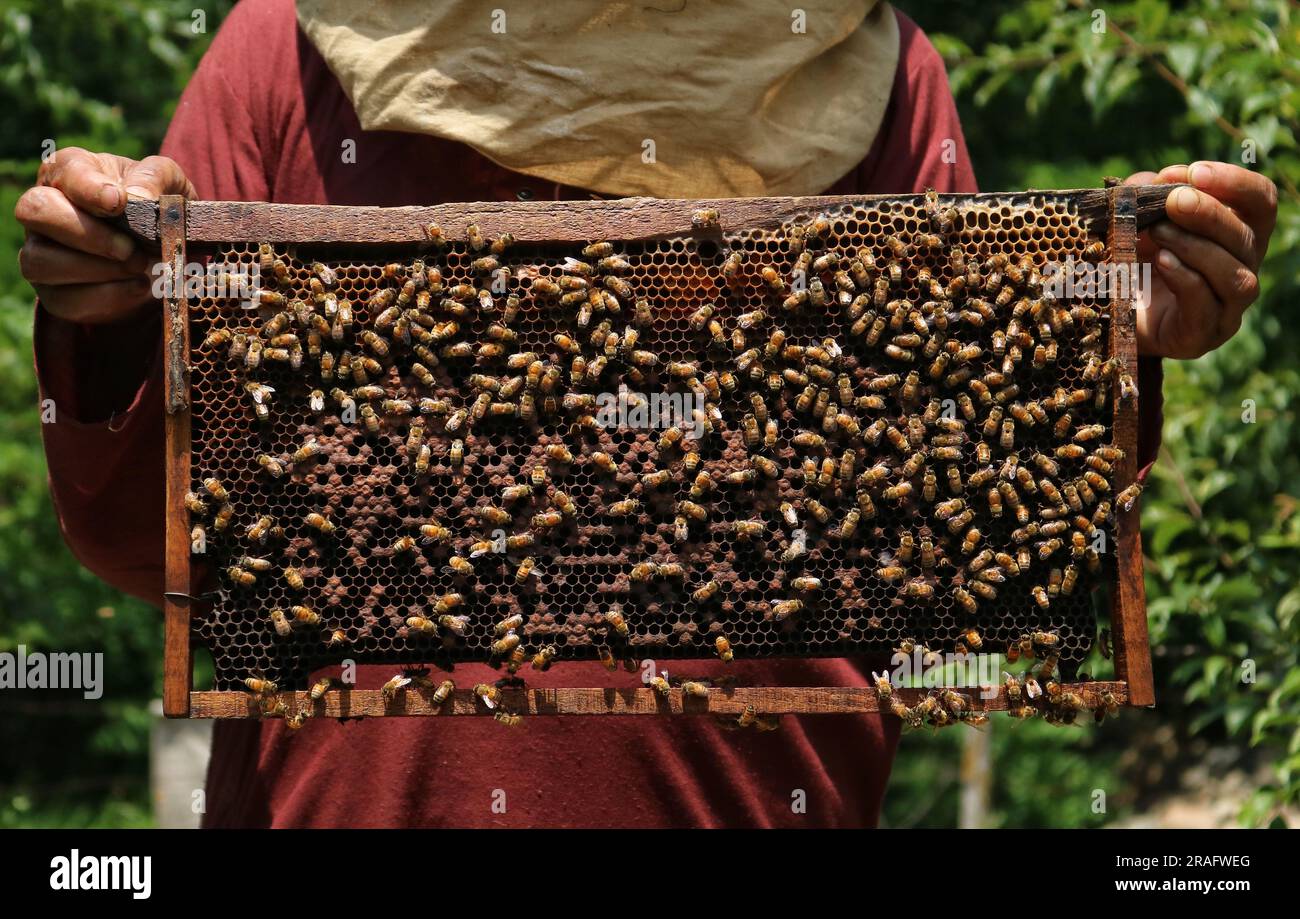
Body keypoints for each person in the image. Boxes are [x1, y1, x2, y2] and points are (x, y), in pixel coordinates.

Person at [15, 0, 1277, 828]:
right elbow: (162, 545)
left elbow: (948, 561)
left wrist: (1095, 338)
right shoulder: (285, 51)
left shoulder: (877, 78)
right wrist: (119, 313)